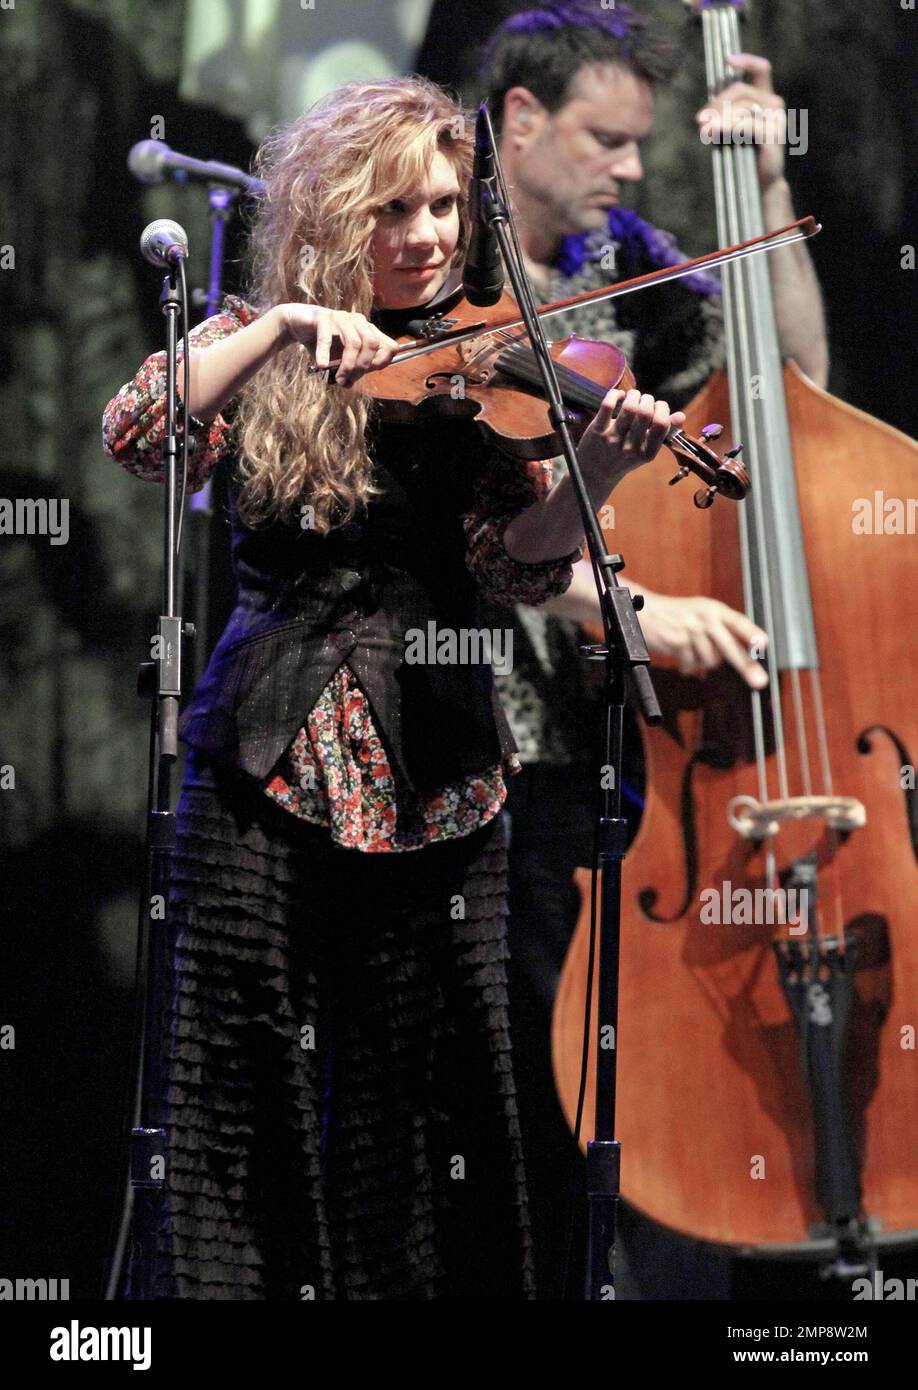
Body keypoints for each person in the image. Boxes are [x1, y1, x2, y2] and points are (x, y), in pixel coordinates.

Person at [101, 75, 684, 1301]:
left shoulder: (486, 367)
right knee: (237, 1086)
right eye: (391, 212)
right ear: (330, 216)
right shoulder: (254, 341)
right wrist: (269, 333)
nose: (425, 237)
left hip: (445, 783)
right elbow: (141, 430)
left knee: (424, 1114)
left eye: (439, 210)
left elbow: (514, 567)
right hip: (263, 765)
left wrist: (598, 478)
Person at [472, 2, 830, 1299]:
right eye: (604, 139)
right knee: (515, 1129)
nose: (632, 168)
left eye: (640, 144)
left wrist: (769, 192)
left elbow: (790, 390)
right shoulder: (428, 260)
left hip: (635, 761)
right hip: (477, 765)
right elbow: (451, 533)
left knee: (657, 1112)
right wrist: (621, 611)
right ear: (517, 120)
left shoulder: (624, 256)